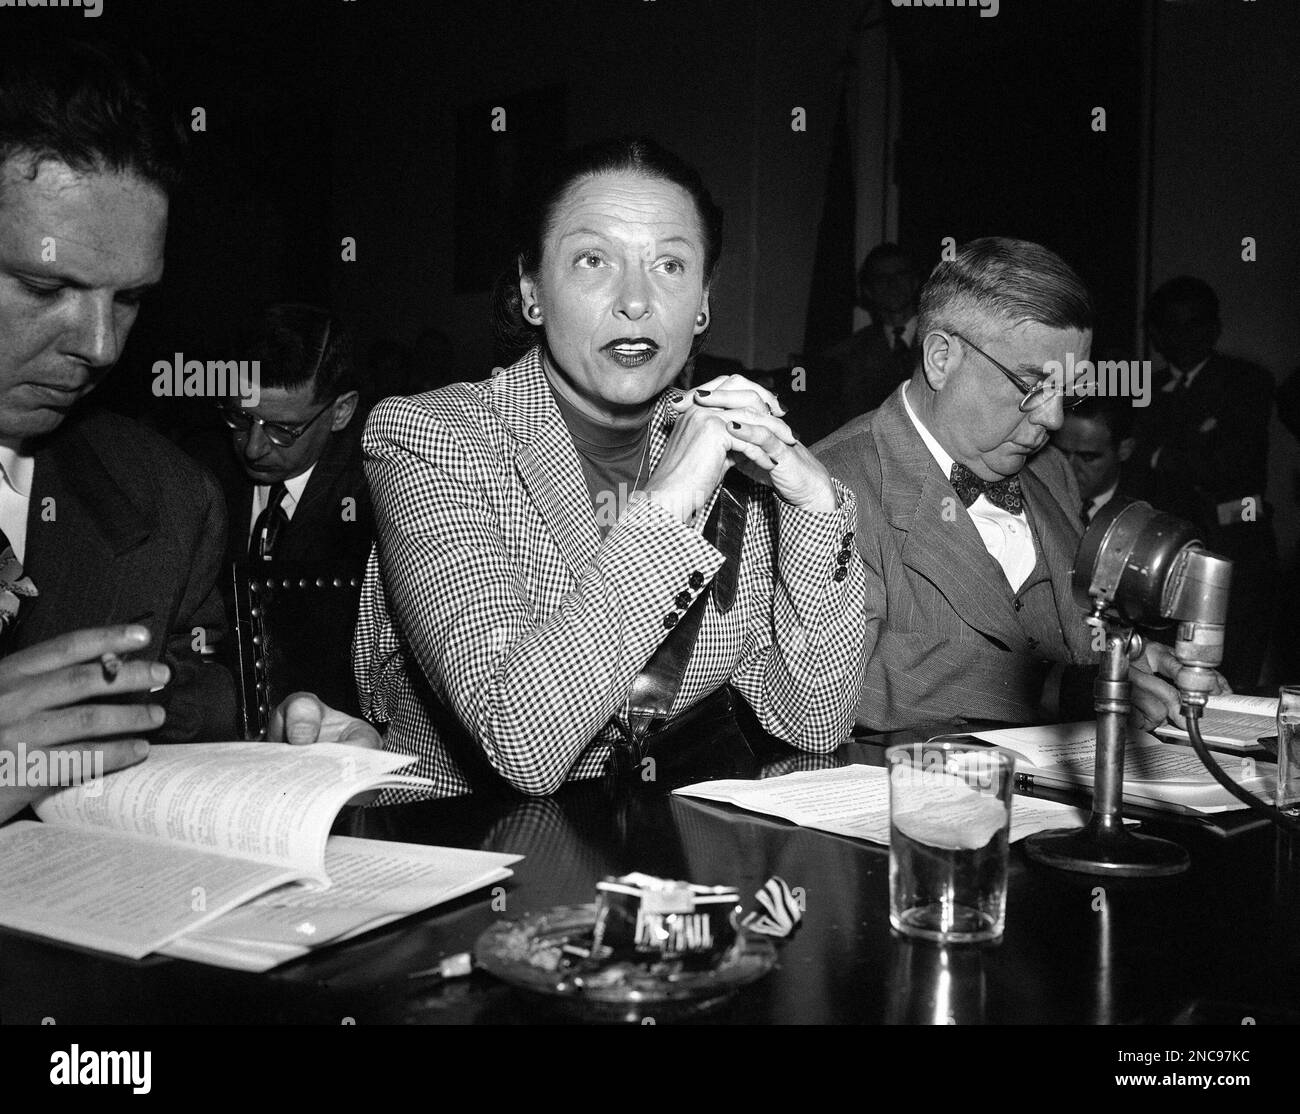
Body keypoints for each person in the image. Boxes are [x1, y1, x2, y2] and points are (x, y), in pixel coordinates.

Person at [353, 136, 869, 799]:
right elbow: (519, 740)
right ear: (531, 293)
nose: (636, 301)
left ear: (704, 300)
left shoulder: (727, 444)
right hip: (471, 848)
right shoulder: (431, 437)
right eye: (593, 260)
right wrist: (669, 499)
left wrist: (813, 505)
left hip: (661, 847)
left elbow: (813, 722)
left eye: (671, 266)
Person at [0, 41, 375, 826]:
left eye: (130, 298)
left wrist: (274, 754)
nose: (101, 346)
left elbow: (192, 734)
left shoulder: (168, 502)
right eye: (45, 285)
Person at [814, 237, 1220, 732]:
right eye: (1032, 386)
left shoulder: (1049, 470)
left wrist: (1128, 659)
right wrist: (1051, 689)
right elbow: (849, 676)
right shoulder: (828, 484)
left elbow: (1074, 630)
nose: (1052, 419)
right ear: (941, 358)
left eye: (1066, 391)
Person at [1131, 276, 1276, 690]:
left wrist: (1162, 457)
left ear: (1216, 327)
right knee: (1167, 674)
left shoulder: (1247, 382)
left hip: (1236, 556)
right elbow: (1132, 469)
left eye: (1199, 322)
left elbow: (1228, 465)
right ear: (1157, 334)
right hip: (1162, 564)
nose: (1191, 335)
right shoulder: (1143, 389)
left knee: (1234, 680)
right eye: (1176, 325)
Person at [185, 302, 374, 571]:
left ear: (341, 412)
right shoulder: (194, 468)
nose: (253, 448)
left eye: (282, 429)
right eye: (240, 418)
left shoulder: (372, 497)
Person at [802, 243, 920, 442]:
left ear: (915, 281)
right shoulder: (847, 353)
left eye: (899, 274)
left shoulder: (942, 342)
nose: (891, 284)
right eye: (881, 278)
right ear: (868, 290)